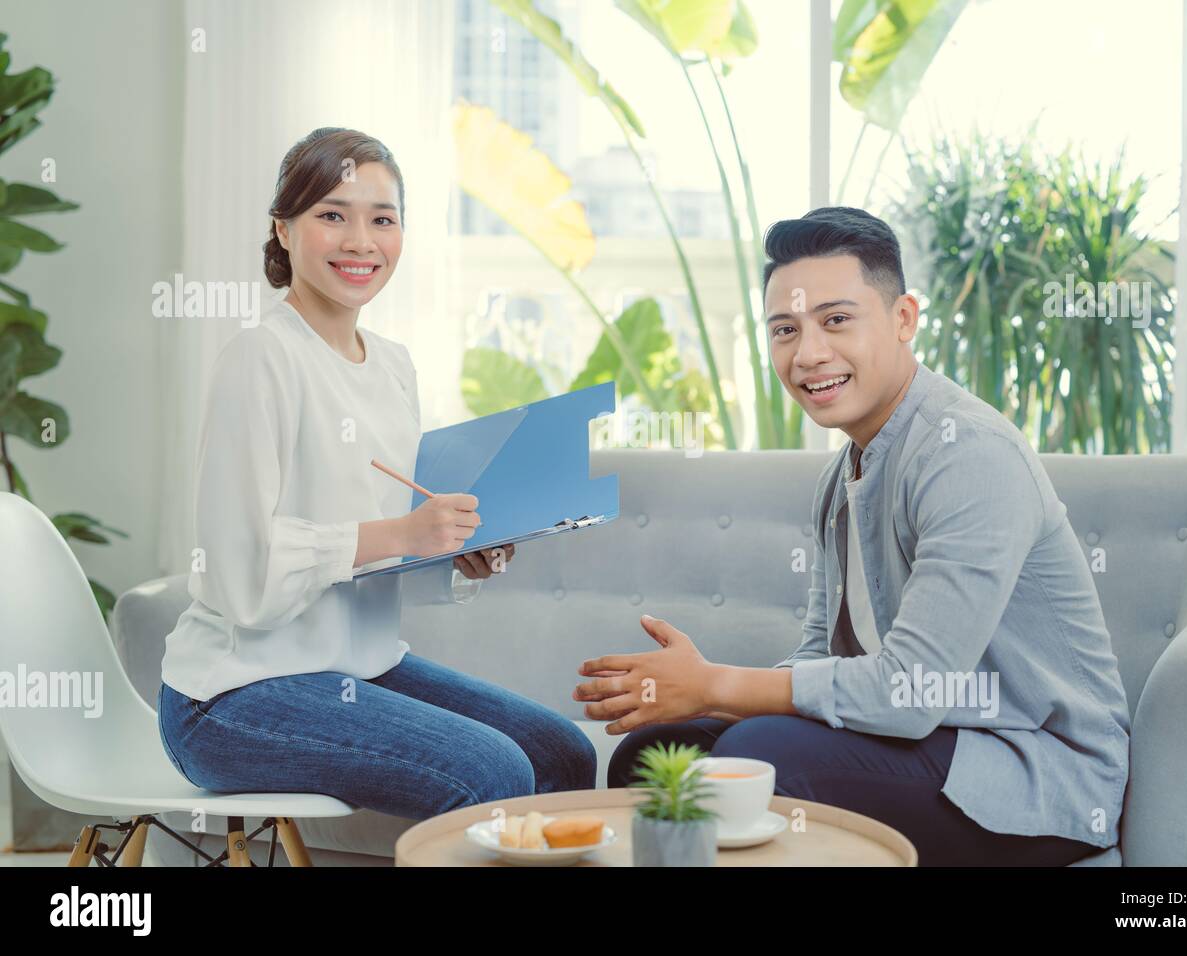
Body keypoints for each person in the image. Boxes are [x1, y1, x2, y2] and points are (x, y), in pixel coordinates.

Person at [583, 207, 1130, 866]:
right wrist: (687, 697)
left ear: (904, 319)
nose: (809, 353)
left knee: (761, 761)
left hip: (1029, 771)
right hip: (925, 743)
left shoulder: (969, 455)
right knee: (657, 757)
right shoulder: (843, 475)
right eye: (785, 329)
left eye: (836, 320)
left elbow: (912, 692)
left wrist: (715, 686)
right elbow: (822, 659)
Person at [157, 127, 595, 820]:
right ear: (283, 228)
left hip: (355, 667)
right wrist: (401, 530)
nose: (361, 240)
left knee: (562, 753)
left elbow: (370, 559)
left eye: (382, 219)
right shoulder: (259, 358)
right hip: (234, 694)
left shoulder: (392, 366)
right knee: (493, 770)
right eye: (332, 215)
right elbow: (241, 578)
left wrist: (452, 550)